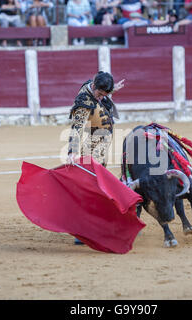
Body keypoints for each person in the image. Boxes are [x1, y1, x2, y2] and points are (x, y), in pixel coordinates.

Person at [67, 71, 125, 245]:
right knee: (93, 189)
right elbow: (76, 127)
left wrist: (112, 91)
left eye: (105, 95)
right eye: (100, 94)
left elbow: (102, 93)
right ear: (93, 86)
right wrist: (71, 151)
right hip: (93, 148)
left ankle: (88, 227)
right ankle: (83, 231)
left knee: (96, 188)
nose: (101, 98)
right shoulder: (83, 102)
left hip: (99, 146)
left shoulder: (95, 87)